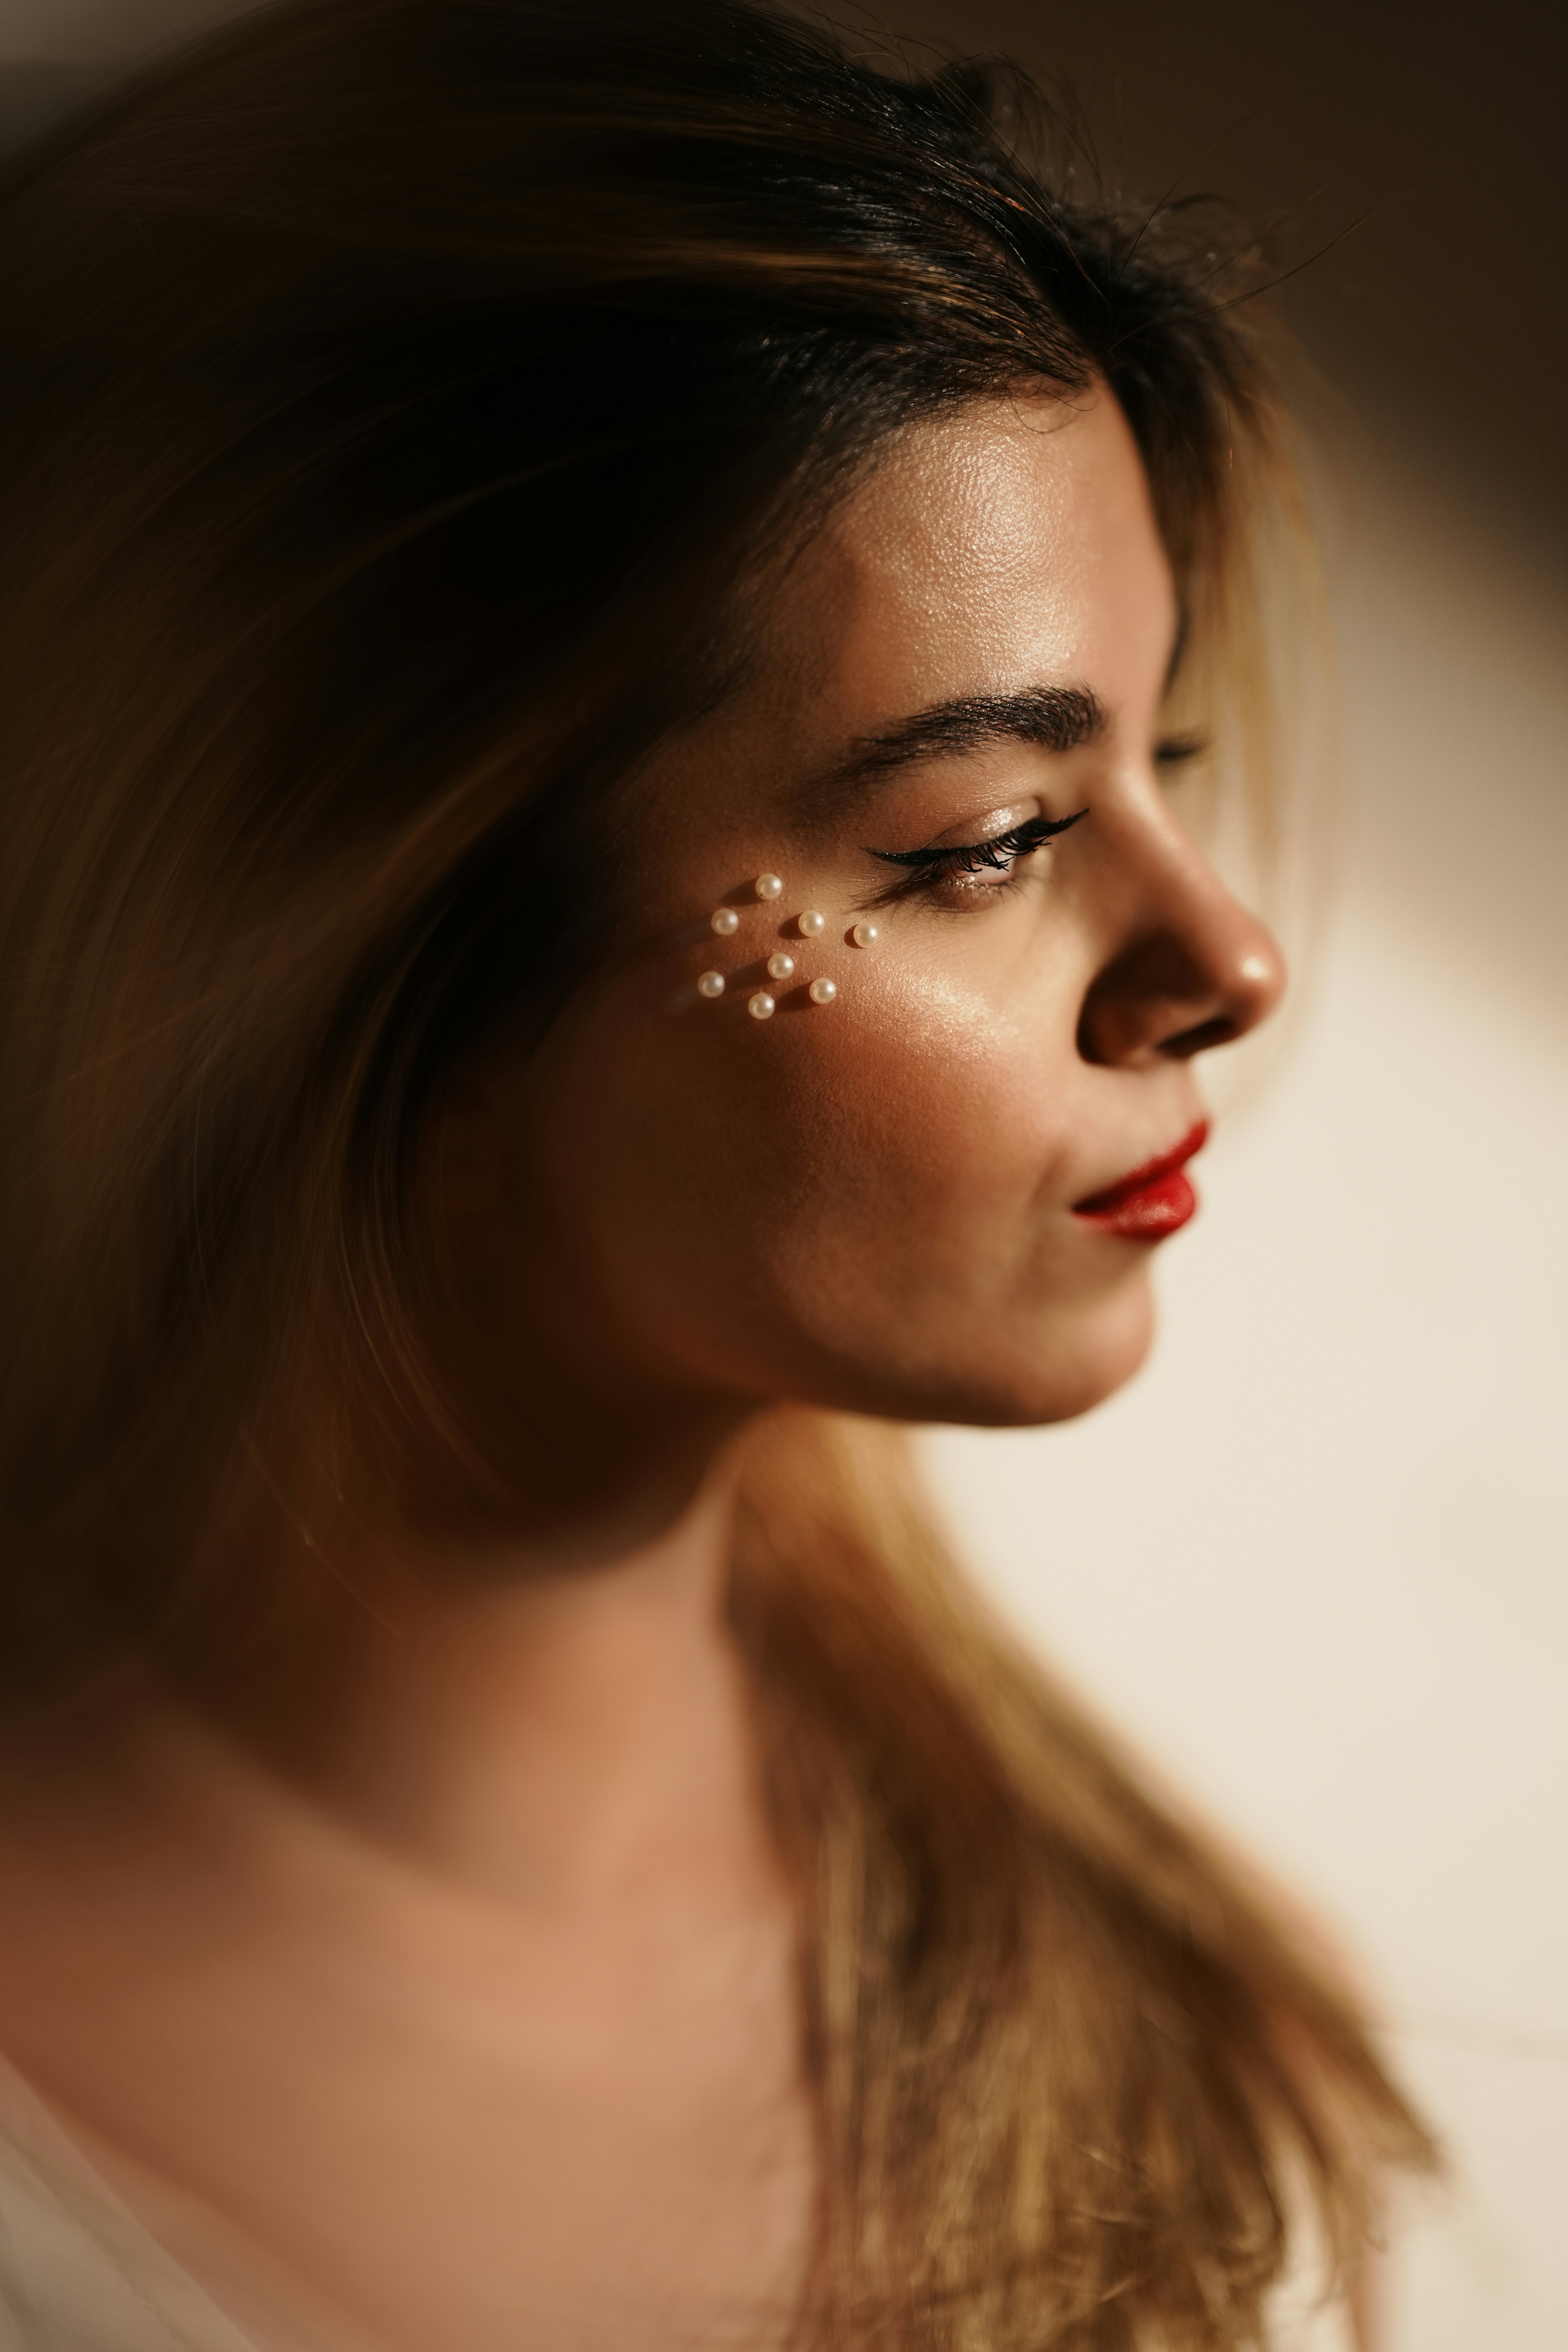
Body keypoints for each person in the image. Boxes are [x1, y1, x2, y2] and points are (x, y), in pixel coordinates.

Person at [0, 2, 1433, 2346]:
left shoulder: (1111, 1956)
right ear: (361, 935)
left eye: (1164, 756)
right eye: (989, 842)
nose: (1229, 958)